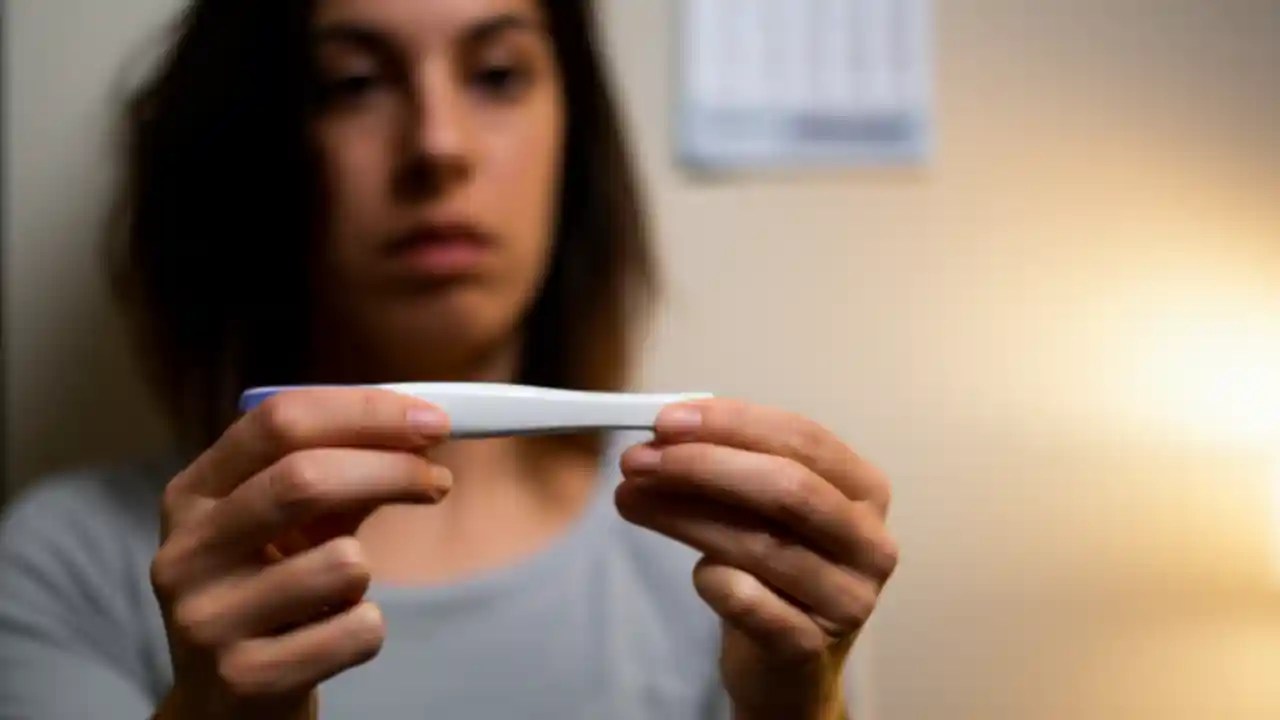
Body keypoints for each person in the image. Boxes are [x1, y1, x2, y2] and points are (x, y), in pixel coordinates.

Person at [0, 0, 898, 718]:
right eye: (351, 83)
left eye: (498, 74)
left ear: (571, 133)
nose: (438, 145)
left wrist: (800, 707)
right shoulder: (65, 567)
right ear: (255, 138)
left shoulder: (725, 573)